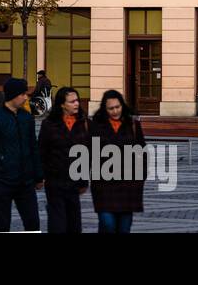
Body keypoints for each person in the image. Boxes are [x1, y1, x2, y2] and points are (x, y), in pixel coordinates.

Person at [0, 77, 43, 232]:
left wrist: (39, 176)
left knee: (33, 223)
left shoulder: (27, 117)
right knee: (2, 225)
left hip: (26, 182)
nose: (26, 97)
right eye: (23, 94)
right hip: (3, 181)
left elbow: (33, 148)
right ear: (13, 95)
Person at [89, 90, 146, 234]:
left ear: (122, 106)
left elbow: (142, 154)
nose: (115, 111)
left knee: (124, 228)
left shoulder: (132, 125)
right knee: (108, 224)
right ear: (105, 109)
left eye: (117, 107)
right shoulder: (96, 126)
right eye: (111, 108)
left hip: (128, 186)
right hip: (104, 185)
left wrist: (139, 179)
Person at [38, 87, 89, 234]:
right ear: (62, 104)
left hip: (75, 182)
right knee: (57, 224)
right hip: (55, 182)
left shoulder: (83, 123)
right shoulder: (49, 124)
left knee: (74, 224)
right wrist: (40, 176)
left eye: (77, 100)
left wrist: (84, 180)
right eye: (72, 101)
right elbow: (41, 151)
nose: (77, 104)